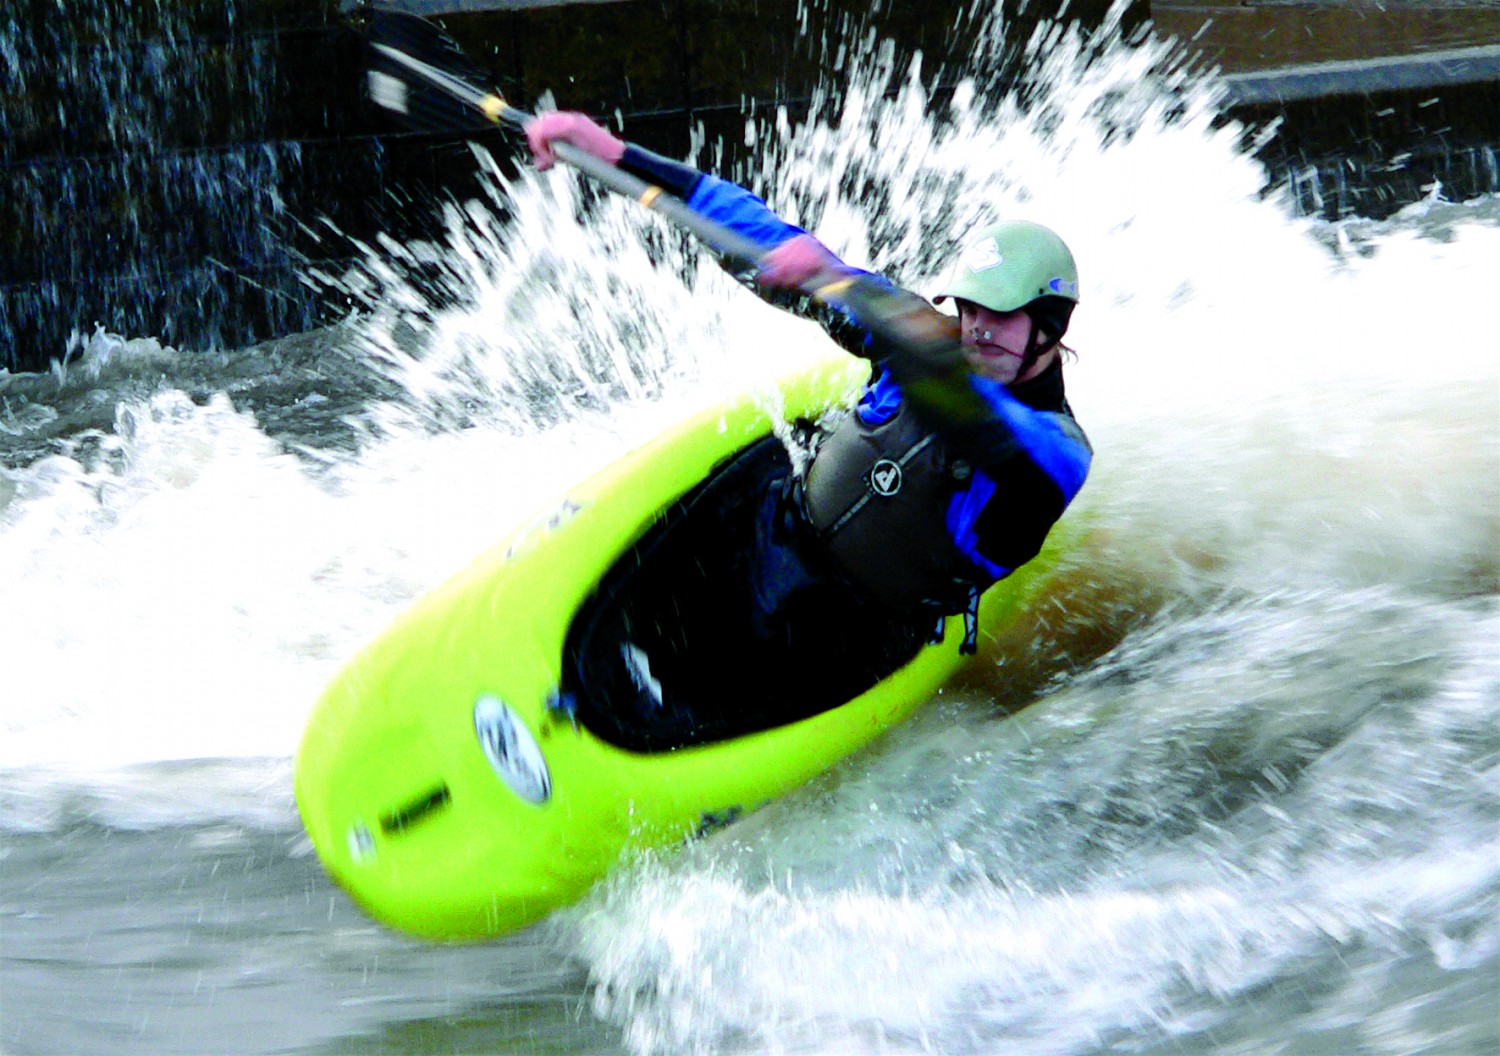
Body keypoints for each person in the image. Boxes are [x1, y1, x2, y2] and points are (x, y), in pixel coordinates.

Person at [530, 112, 1091, 737]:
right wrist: (615, 155)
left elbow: (976, 420)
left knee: (690, 690)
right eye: (969, 308)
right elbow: (762, 233)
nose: (977, 327)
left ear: (1051, 326)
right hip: (778, 526)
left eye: (1002, 315)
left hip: (847, 627)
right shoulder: (922, 333)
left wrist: (840, 289)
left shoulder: (1057, 454)